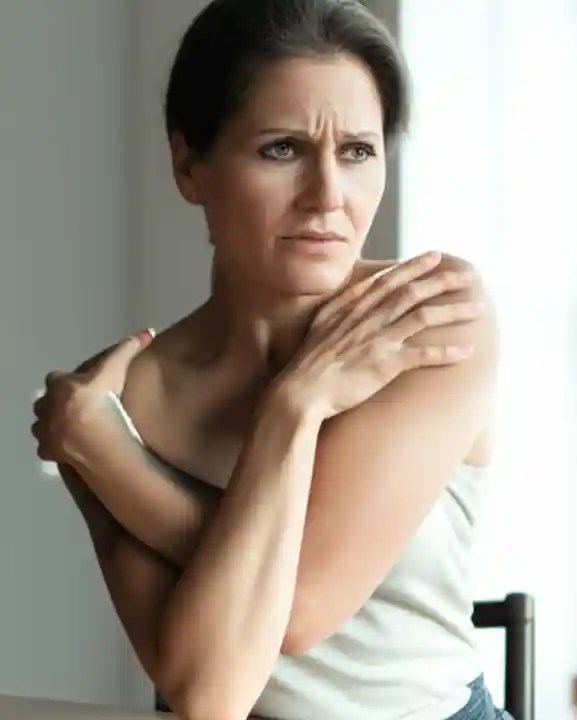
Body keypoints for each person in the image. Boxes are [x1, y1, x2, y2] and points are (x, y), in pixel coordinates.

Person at [31, 1, 506, 718]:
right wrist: (295, 411)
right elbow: (209, 693)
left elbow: (304, 605)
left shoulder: (430, 314)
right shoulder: (116, 399)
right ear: (189, 163)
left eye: (357, 151)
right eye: (282, 149)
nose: (328, 197)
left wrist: (292, 403)